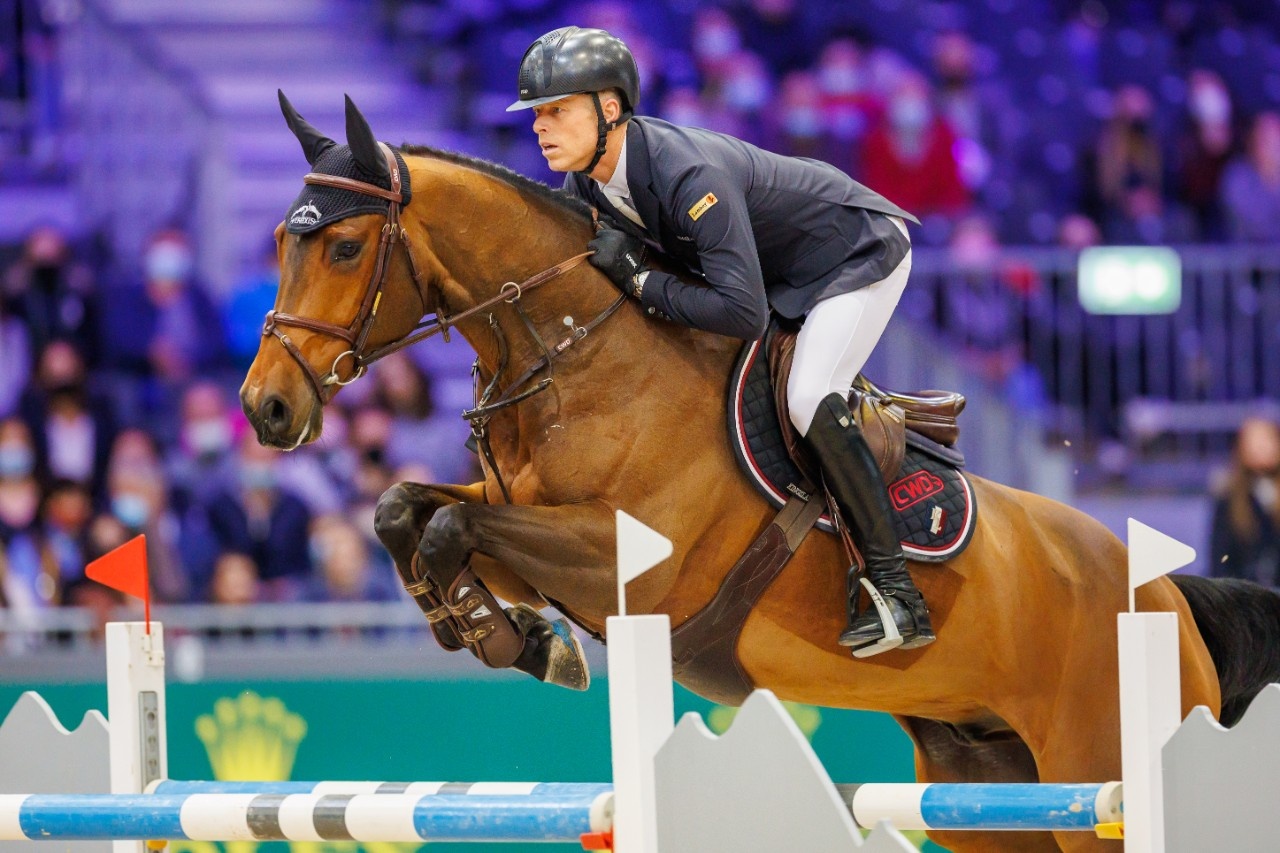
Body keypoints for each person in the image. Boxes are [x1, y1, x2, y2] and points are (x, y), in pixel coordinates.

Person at [506, 26, 932, 657]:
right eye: (537, 114)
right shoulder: (591, 182)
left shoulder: (687, 174)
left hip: (854, 252)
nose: (541, 126)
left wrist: (640, 279)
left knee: (809, 395)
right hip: (779, 271)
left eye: (557, 110)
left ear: (609, 108)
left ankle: (897, 592)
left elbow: (740, 311)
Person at [1208, 417, 1280, 587]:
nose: (1261, 447)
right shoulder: (1228, 499)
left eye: (1266, 439)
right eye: (1254, 441)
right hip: (1242, 592)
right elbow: (1219, 558)